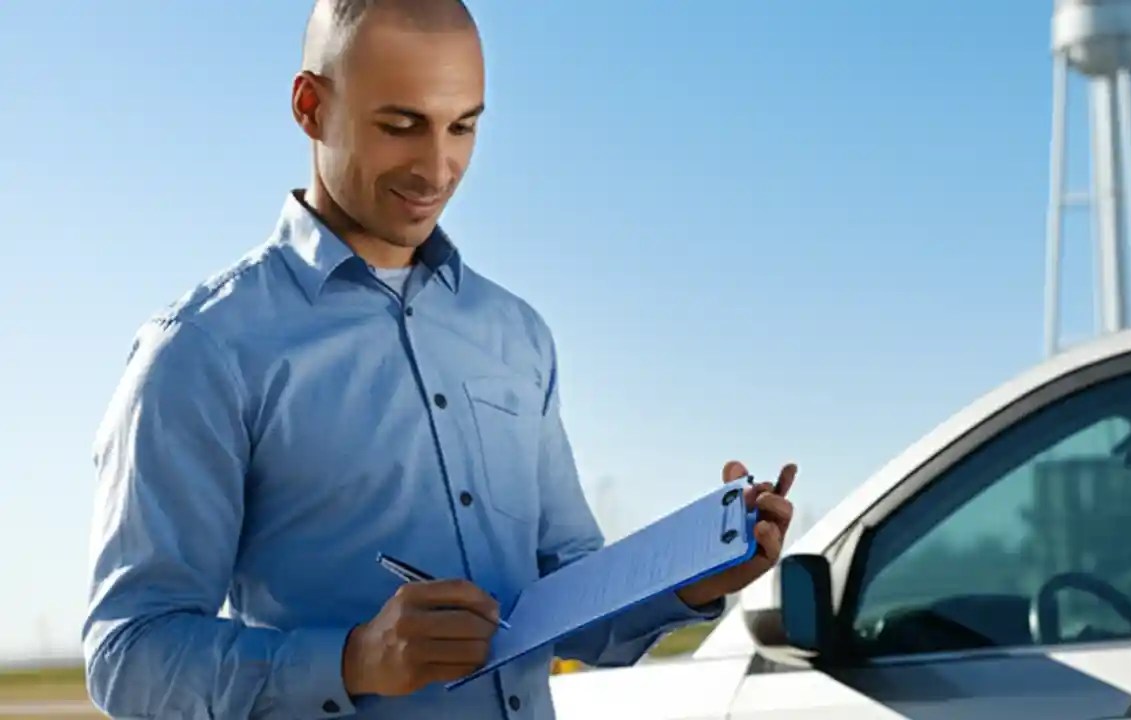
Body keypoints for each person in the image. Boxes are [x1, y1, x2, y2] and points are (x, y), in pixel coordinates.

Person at [81, 0, 799, 717]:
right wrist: (354, 659)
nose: (437, 167)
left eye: (464, 126)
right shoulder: (202, 349)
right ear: (310, 106)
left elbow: (569, 594)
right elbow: (128, 659)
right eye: (401, 126)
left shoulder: (516, 333)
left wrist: (698, 574)